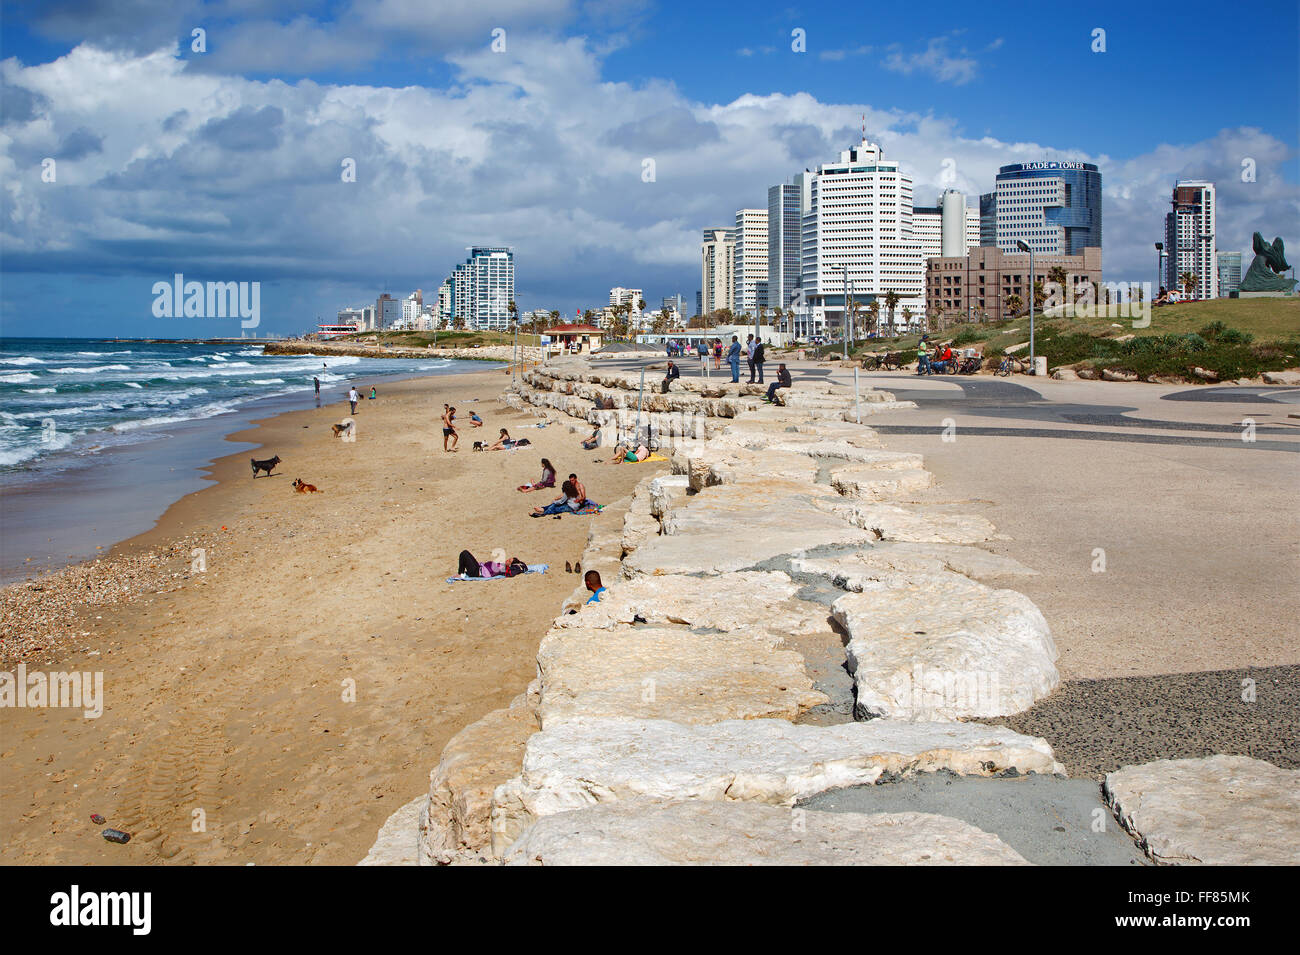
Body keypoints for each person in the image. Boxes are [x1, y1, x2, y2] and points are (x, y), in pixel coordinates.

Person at [457, 550, 527, 578]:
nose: (507, 560)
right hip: (478, 567)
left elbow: (519, 568)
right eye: (509, 559)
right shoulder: (502, 565)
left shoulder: (505, 569)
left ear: (510, 565)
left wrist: (519, 565)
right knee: (466, 553)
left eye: (509, 561)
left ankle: (461, 574)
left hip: (476, 572)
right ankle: (461, 573)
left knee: (464, 554)